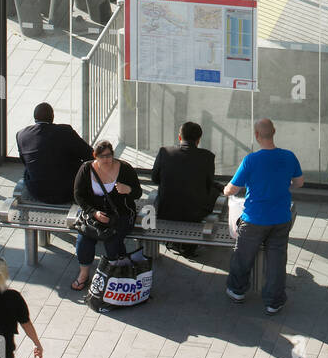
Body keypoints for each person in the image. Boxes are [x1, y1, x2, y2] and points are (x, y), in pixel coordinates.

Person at [223, 118, 302, 314]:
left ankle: (237, 291)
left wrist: (225, 190)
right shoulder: (289, 156)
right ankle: (273, 302)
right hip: (281, 218)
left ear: (257, 135)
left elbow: (232, 189)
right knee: (276, 260)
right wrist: (284, 188)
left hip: (254, 219)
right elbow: (299, 183)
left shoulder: (251, 160)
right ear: (274, 131)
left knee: (243, 256)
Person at [71, 141, 143, 291]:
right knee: (84, 238)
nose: (106, 159)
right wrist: (93, 212)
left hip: (120, 214)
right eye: (102, 156)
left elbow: (138, 192)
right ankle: (84, 274)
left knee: (112, 240)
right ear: (95, 156)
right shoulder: (86, 169)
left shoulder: (125, 168)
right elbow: (78, 195)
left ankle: (116, 275)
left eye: (109, 155)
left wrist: (128, 189)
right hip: (95, 215)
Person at [151, 121, 220, 258]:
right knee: (214, 191)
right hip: (194, 214)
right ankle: (188, 247)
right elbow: (208, 184)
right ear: (198, 140)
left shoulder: (164, 152)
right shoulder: (207, 156)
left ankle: (177, 244)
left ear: (179, 137)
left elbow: (155, 178)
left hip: (166, 210)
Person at [16, 102, 92, 204]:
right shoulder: (65, 132)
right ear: (52, 116)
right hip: (68, 191)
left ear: (34, 117)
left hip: (37, 191)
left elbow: (25, 162)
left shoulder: (21, 135)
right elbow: (89, 155)